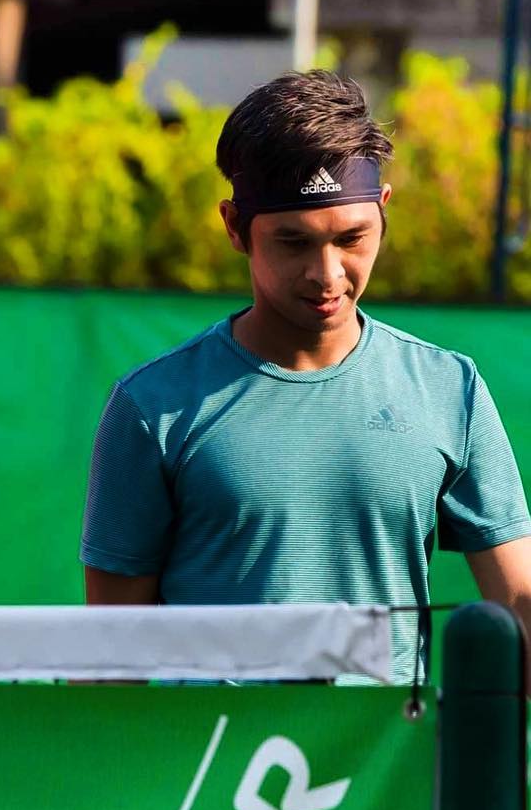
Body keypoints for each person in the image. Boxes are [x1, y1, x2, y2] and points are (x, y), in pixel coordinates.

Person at [81, 70, 531, 680]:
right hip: (213, 768)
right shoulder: (150, 407)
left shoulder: (450, 388)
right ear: (235, 227)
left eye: (353, 238)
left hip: (386, 770)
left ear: (383, 210)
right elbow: (111, 659)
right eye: (292, 242)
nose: (327, 274)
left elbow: (520, 605)